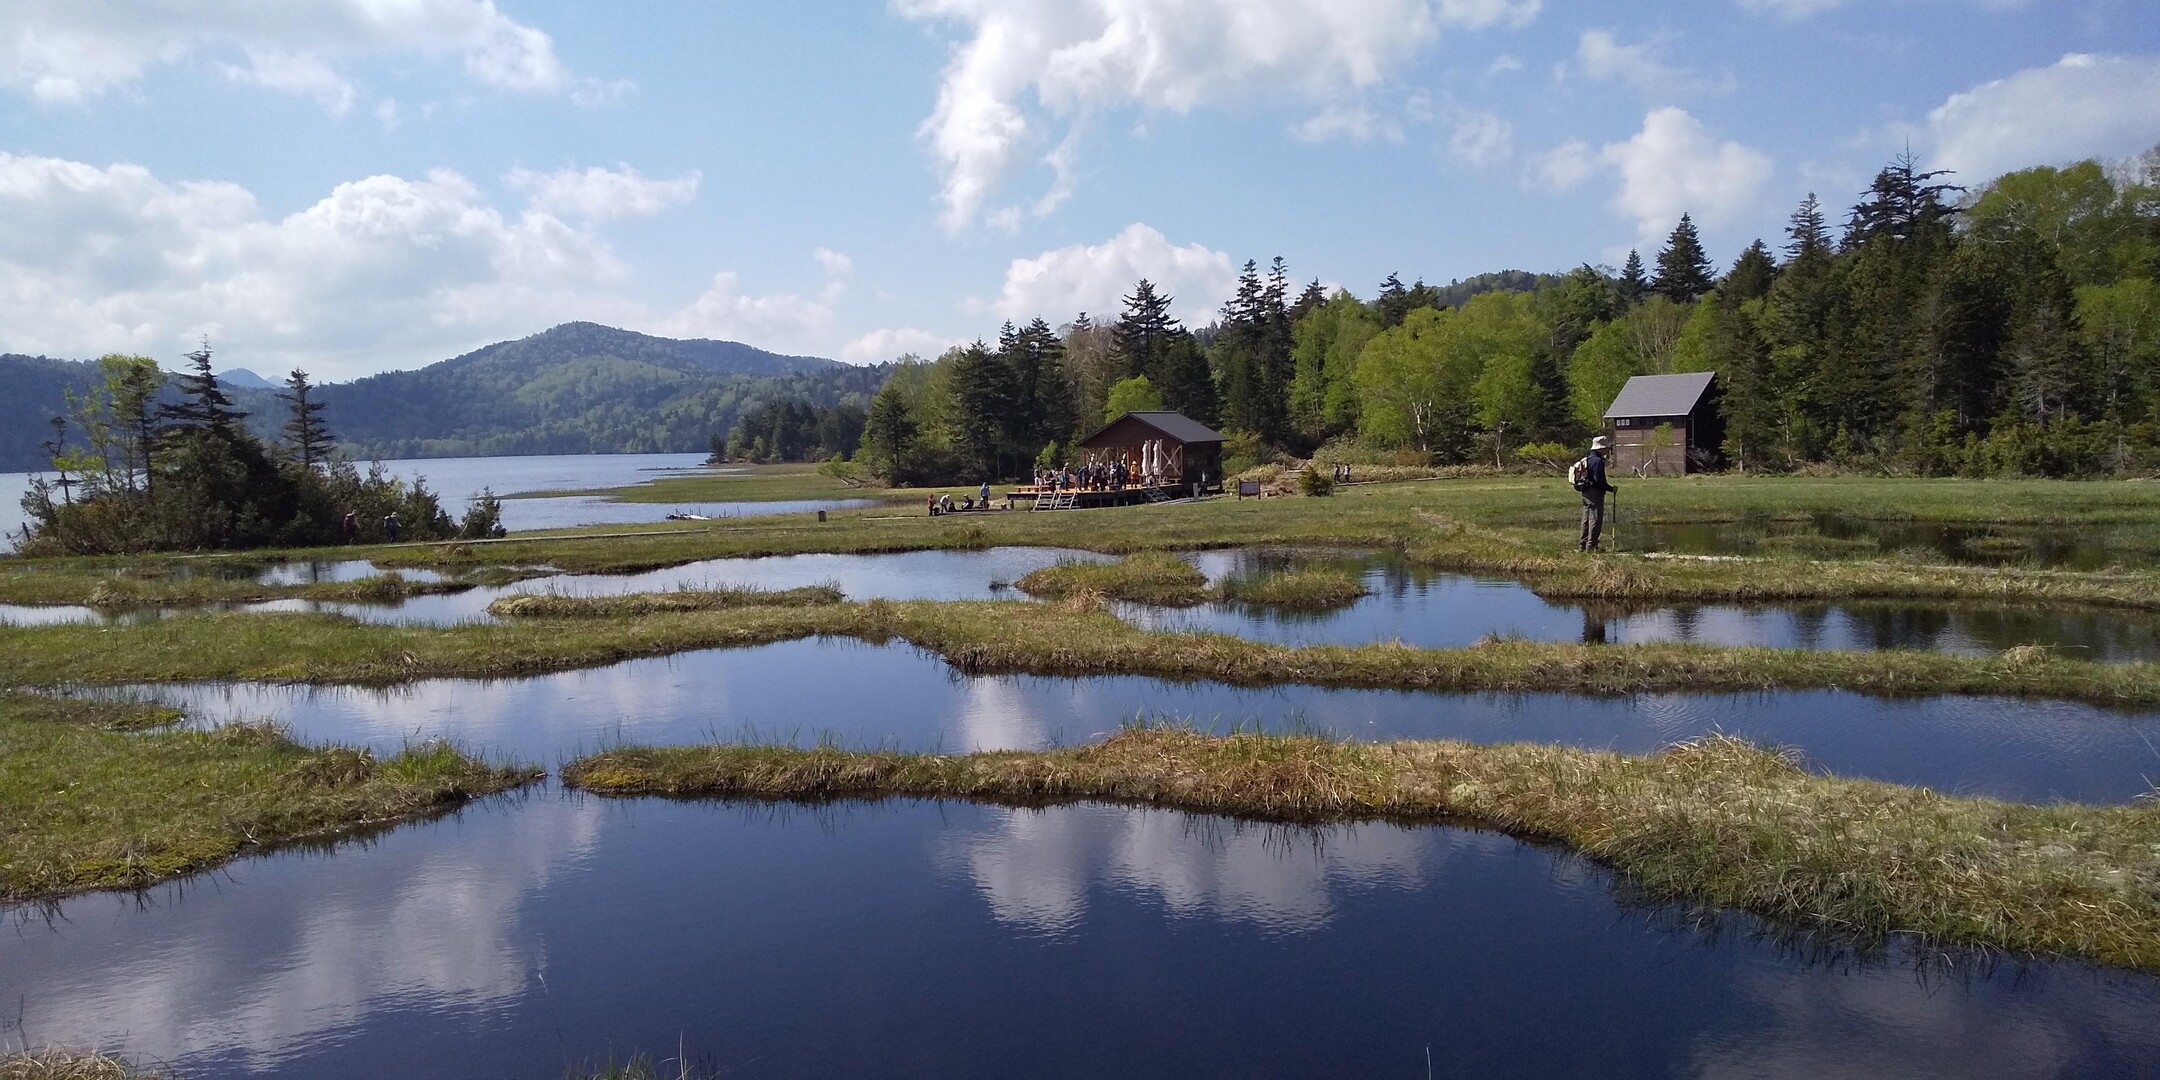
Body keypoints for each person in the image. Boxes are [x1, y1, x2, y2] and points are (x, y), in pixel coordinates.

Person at [1574, 435, 1617, 552]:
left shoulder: (1587, 458)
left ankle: (1582, 545)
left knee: (1586, 519)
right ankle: (1591, 546)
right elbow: (1599, 481)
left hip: (1585, 492)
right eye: (1606, 448)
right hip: (1595, 493)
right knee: (1595, 519)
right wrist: (1611, 489)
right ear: (1601, 448)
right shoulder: (1597, 461)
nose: (1607, 450)